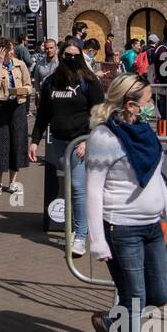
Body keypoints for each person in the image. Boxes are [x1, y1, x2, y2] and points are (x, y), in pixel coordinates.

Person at [85, 73, 167, 332]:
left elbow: (155, 177)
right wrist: (96, 239)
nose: (153, 107)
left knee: (161, 293)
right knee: (135, 300)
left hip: (152, 227)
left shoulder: (144, 132)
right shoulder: (103, 137)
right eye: (148, 101)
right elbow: (93, 192)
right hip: (121, 229)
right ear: (130, 105)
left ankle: (107, 320)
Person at [30, 38, 105, 258]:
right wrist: (35, 139)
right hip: (58, 142)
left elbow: (99, 114)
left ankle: (80, 235)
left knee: (78, 189)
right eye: (67, 55)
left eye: (75, 55)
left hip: (80, 143)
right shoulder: (51, 82)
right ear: (61, 56)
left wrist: (87, 140)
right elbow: (43, 114)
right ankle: (76, 228)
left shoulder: (89, 81)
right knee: (69, 189)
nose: (71, 59)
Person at [0, 37, 31, 196]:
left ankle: (12, 182)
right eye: (9, 49)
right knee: (0, 142)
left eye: (12, 49)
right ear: (1, 51)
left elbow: (28, 84)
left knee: (17, 142)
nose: (13, 52)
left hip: (18, 105)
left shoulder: (20, 64)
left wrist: (24, 90)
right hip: (1, 106)